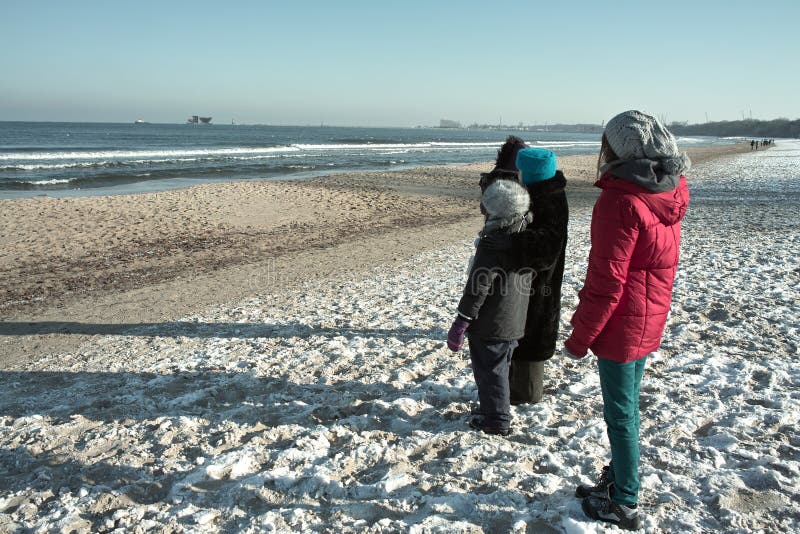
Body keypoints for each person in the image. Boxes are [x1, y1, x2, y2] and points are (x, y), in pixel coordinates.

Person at [564, 110, 690, 530]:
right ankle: (618, 480)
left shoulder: (619, 200)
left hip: (623, 323)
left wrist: (580, 337)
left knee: (620, 414)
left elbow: (606, 282)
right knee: (628, 410)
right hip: (649, 315)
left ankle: (625, 501)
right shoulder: (670, 189)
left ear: (617, 148)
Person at [447, 178, 533, 436]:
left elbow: (478, 285)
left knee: (490, 370)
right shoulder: (524, 233)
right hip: (514, 316)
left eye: (485, 204)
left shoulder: (493, 241)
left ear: (497, 209)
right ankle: (492, 409)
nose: (481, 208)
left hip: (493, 319)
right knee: (500, 366)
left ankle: (496, 420)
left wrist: (462, 319)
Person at [510, 148, 569, 404]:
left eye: (520, 171)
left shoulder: (547, 200)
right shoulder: (544, 195)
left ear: (530, 174)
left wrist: (510, 241)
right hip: (527, 286)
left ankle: (527, 396)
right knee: (519, 342)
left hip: (538, 288)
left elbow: (545, 251)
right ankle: (517, 390)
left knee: (530, 342)